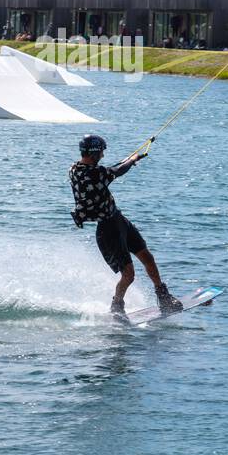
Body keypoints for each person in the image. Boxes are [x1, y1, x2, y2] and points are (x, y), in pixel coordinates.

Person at [69, 134, 183, 320]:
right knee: (129, 275)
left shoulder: (76, 168)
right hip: (107, 230)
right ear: (94, 152)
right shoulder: (93, 174)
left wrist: (129, 159)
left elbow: (113, 169)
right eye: (102, 152)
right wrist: (132, 160)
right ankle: (116, 306)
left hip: (118, 221)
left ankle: (163, 298)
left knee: (147, 257)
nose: (104, 155)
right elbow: (117, 171)